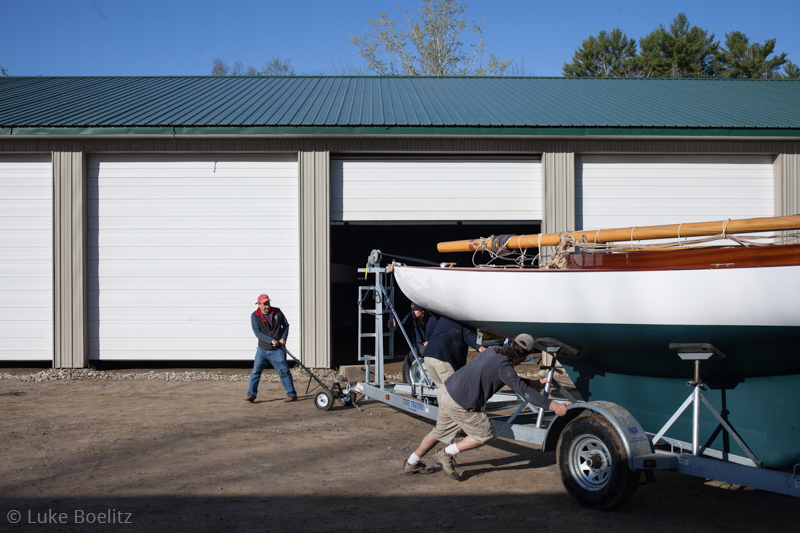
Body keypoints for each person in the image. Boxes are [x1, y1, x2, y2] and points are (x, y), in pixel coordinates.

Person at [401, 334, 572, 479]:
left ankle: (411, 463)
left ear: (512, 343)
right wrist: (554, 406)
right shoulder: (505, 367)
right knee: (487, 434)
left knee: (439, 432)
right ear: (527, 356)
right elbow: (524, 391)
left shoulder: (494, 351)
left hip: (447, 391)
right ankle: (446, 453)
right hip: (460, 402)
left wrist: (534, 382)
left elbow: (511, 379)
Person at [246, 294, 297, 403]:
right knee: (255, 372)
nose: (267, 306)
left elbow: (286, 325)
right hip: (262, 350)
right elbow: (258, 333)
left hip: (278, 350)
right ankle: (251, 394)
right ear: (259, 304)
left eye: (268, 303)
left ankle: (291, 394)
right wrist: (271, 340)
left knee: (284, 371)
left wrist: (283, 338)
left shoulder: (277, 312)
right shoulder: (255, 316)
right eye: (264, 304)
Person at [422, 314, 485, 389]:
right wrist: (481, 347)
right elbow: (468, 335)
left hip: (428, 357)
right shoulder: (465, 320)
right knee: (454, 391)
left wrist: (428, 340)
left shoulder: (446, 317)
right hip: (443, 359)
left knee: (442, 391)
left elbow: (429, 331)